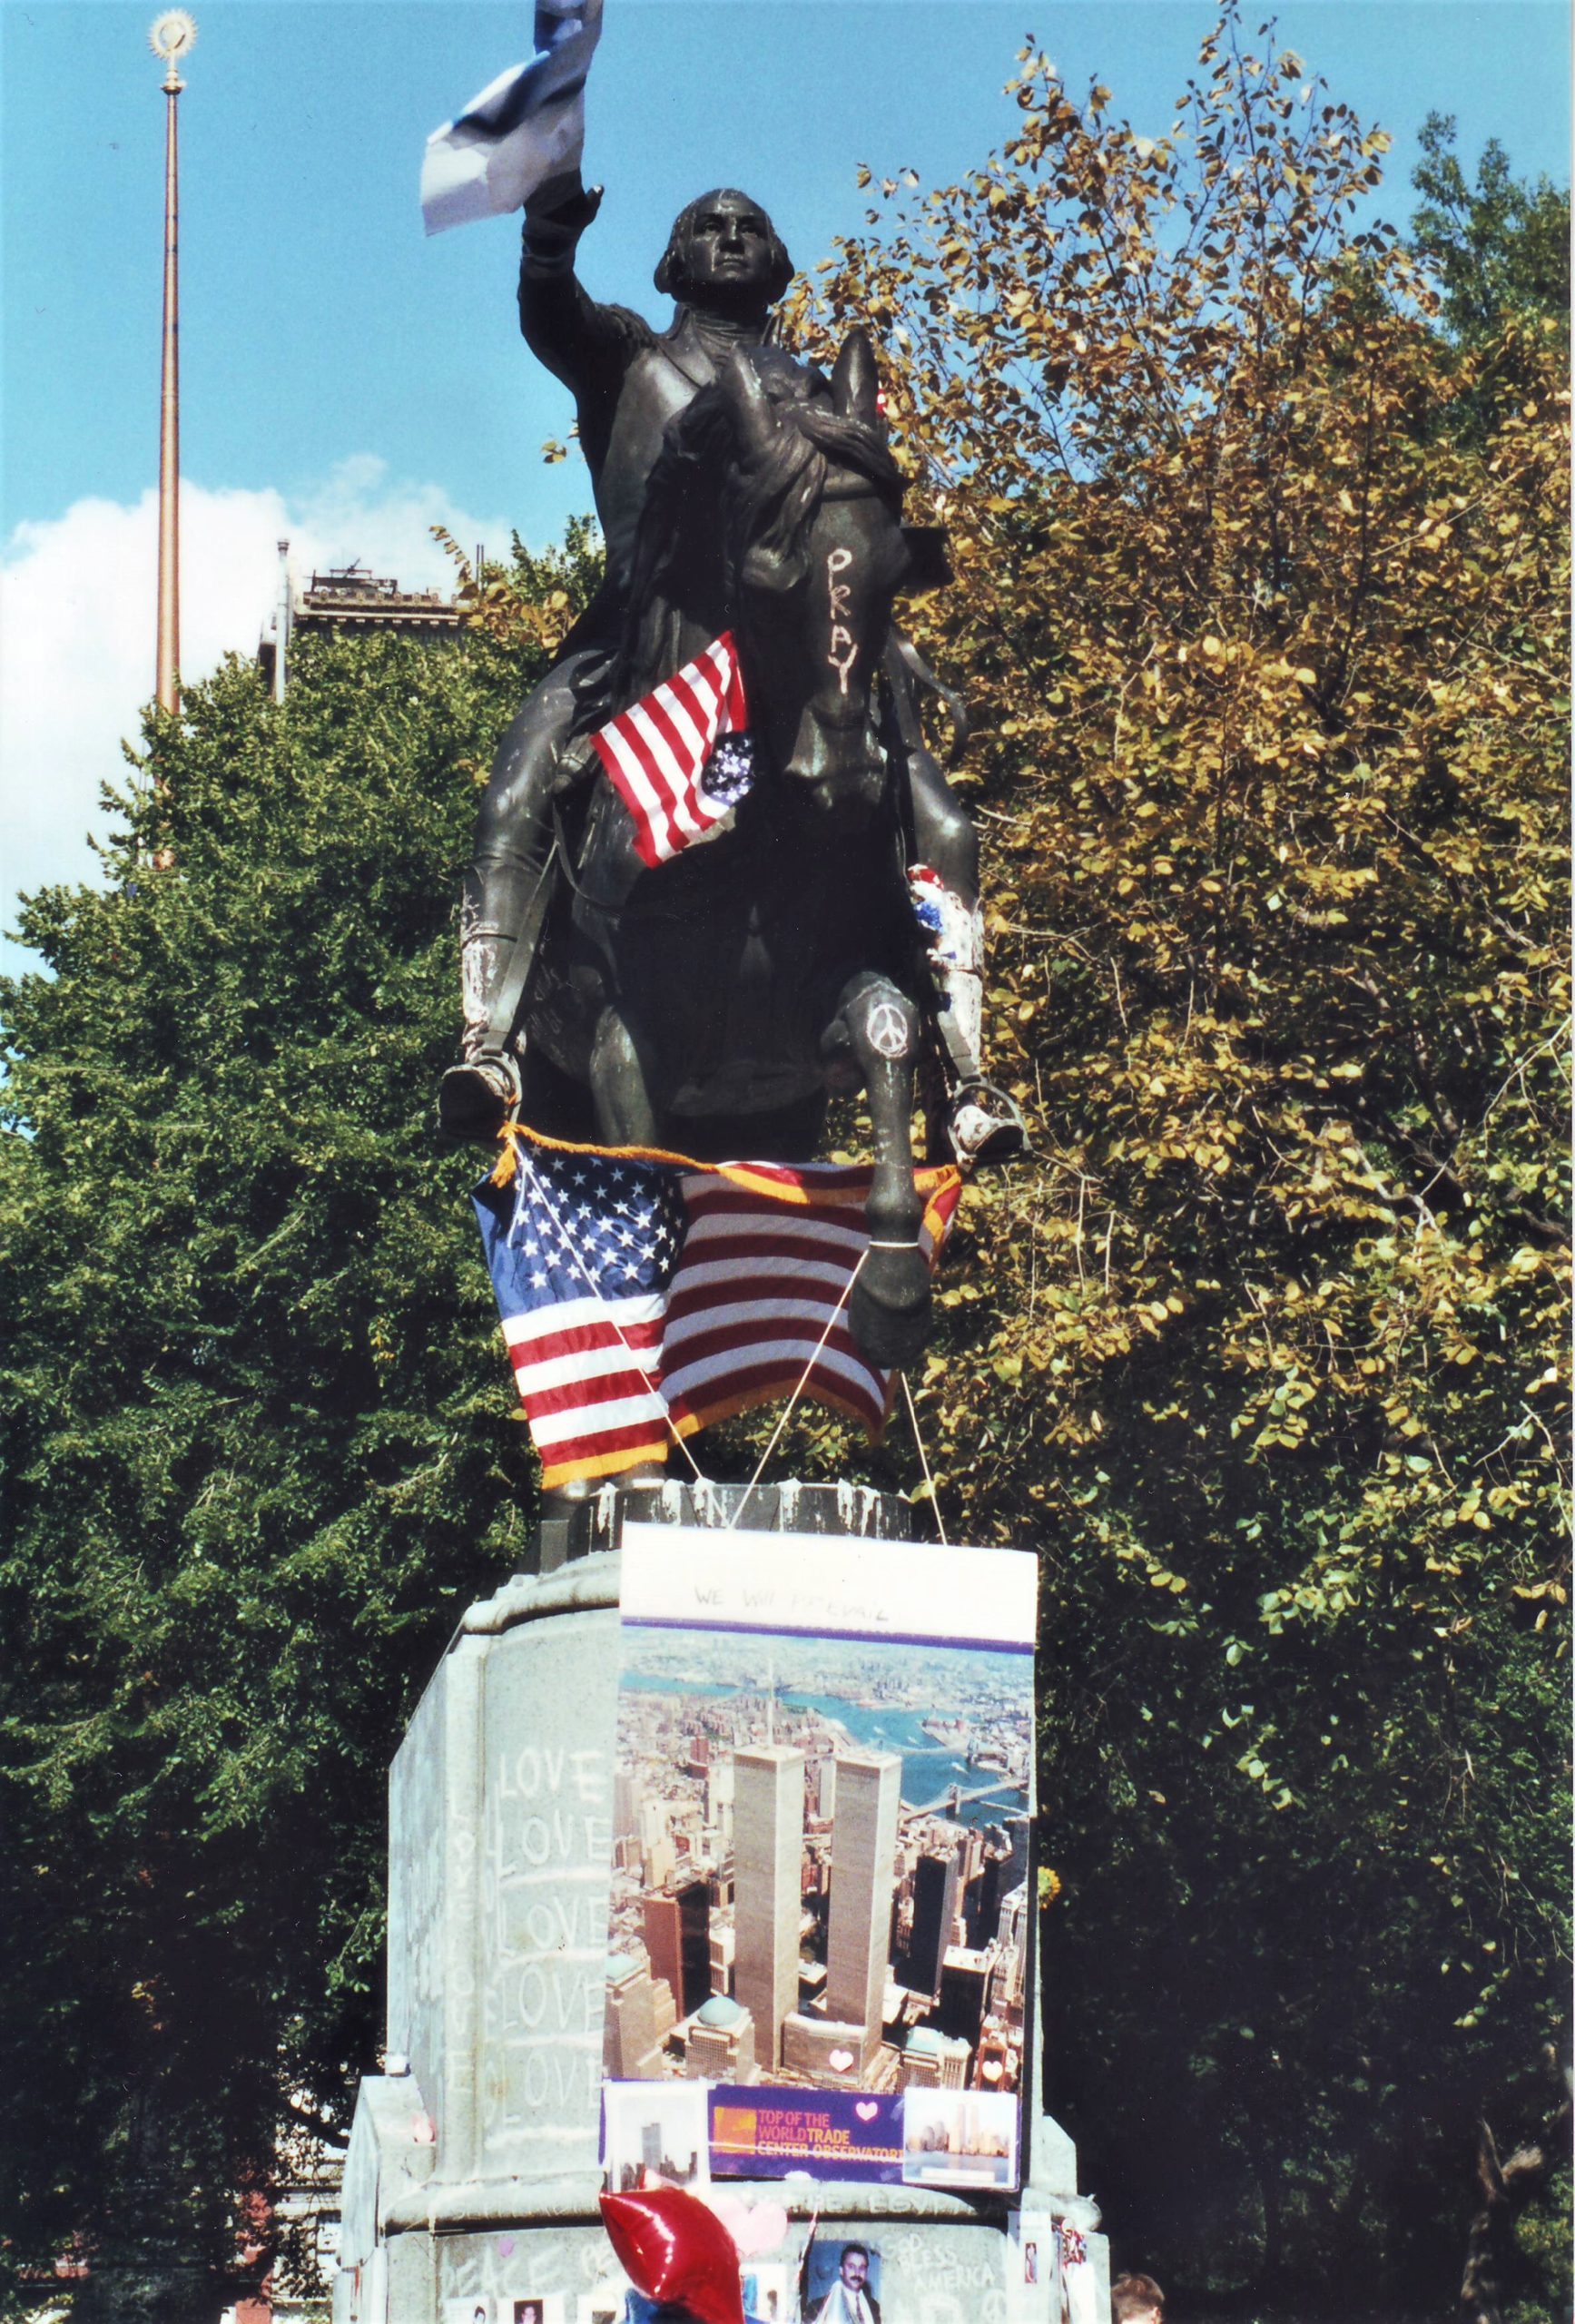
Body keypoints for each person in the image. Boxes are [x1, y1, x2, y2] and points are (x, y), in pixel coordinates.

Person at [440, 175, 1024, 1165]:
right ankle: (490, 1042)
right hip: (635, 640)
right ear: (672, 263)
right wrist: (547, 240)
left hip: (804, 646)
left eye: (750, 227)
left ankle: (962, 1070)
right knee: (514, 794)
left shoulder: (814, 392)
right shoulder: (629, 360)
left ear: (779, 263)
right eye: (707, 228)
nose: (729, 237)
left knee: (940, 819)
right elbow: (552, 317)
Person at [806, 2243, 881, 2324]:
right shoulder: (818, 2306)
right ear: (841, 2270)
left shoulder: (874, 2308)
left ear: (867, 2272)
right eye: (851, 2267)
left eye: (862, 2268)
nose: (857, 2273)